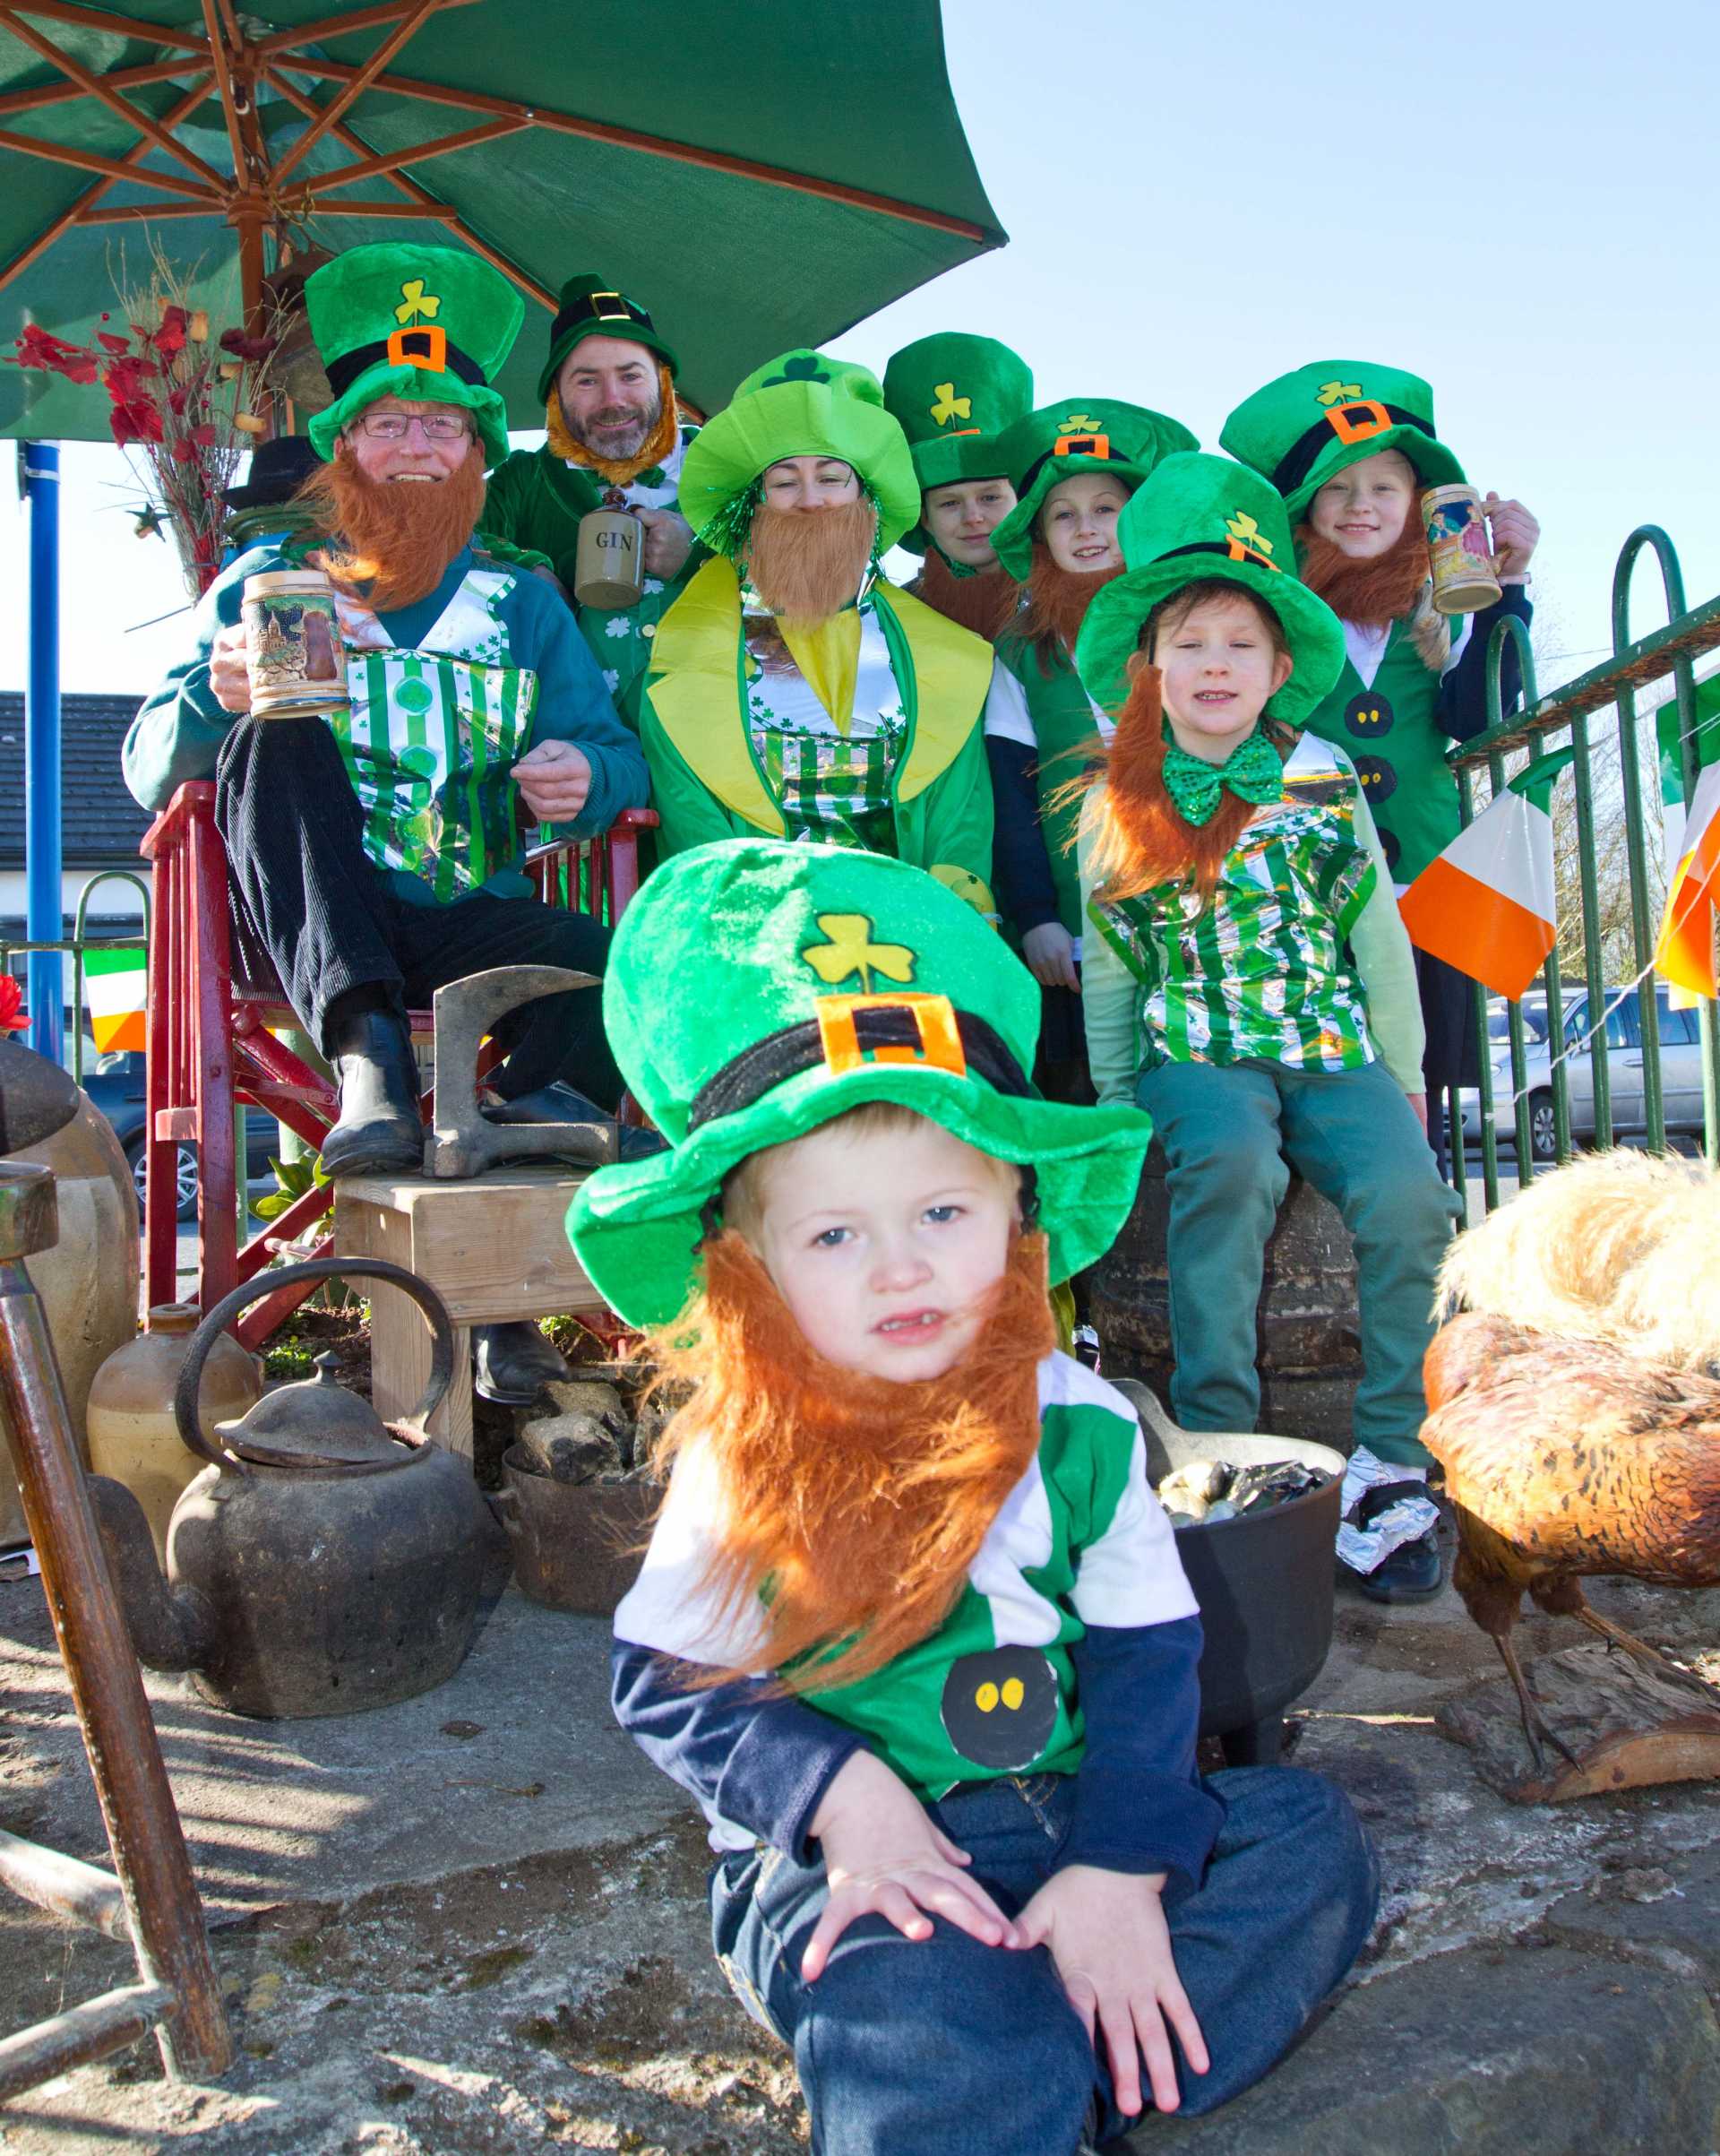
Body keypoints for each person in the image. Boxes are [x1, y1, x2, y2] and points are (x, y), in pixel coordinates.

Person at [565, 837, 1380, 2154]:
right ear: (749, 1268)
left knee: (1308, 1837)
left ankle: (1032, 2049)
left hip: (1073, 1811)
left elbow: (1143, 1652)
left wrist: (1121, 1864)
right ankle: (1043, 2050)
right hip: (862, 1858)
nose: (901, 1270)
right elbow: (672, 1682)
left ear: (1016, 1210)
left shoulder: (1082, 1422)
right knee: (897, 1992)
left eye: (942, 1213)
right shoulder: (745, 1445)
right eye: (835, 1235)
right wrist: (846, 1800)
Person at [124, 243, 650, 1407]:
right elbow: (144, 761)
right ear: (346, 445)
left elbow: (618, 752)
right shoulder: (274, 576)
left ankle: (502, 1250)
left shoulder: (524, 600)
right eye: (389, 425)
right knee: (277, 731)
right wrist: (211, 700)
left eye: (444, 427)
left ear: (475, 451)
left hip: (467, 916)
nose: (416, 446)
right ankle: (366, 1060)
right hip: (312, 929)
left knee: (608, 969)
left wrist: (587, 775)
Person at [1074, 453, 1458, 1602]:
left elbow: (1374, 938)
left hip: (1328, 1043)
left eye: (1241, 646)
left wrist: (1403, 1074)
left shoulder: (1326, 775)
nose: (1215, 664)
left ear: (1280, 669)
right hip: (1195, 1050)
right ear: (1150, 669)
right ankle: (1222, 1445)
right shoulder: (1117, 796)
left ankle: (1391, 1455)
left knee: (1408, 1197)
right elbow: (1109, 965)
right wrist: (1111, 1098)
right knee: (1228, 1166)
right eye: (1190, 644)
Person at [1220, 364, 1539, 1169]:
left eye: (1385, 487)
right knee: (1314, 1073)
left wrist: (1508, 582)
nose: (1362, 506)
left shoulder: (1445, 607)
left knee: (1416, 1086)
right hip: (1304, 885)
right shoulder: (1270, 614)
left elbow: (1481, 717)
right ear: (1303, 509)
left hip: (1426, 885)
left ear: (1419, 504)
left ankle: (1420, 1238)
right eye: (1338, 488)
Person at [639, 349, 1011, 913]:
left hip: (912, 947)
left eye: (832, 478)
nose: (811, 501)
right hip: (756, 949)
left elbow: (959, 827)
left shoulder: (949, 658)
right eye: (785, 481)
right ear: (752, 506)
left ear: (867, 499)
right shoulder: (681, 656)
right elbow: (697, 839)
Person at [981, 399, 1198, 1096]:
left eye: (1106, 508)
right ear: (1040, 535)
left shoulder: (1197, 628)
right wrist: (1038, 917)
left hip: (1199, 916)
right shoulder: (1019, 655)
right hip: (1075, 927)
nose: (1087, 529)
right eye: (1063, 515)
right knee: (1090, 1096)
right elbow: (1011, 798)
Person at [481, 273, 700, 711]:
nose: (612, 399)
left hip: (712, 743)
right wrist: (528, 571)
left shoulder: (726, 468)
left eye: (630, 376)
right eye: (586, 381)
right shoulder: (522, 479)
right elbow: (451, 541)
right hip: (576, 744)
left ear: (663, 381)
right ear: (556, 397)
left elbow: (799, 578)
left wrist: (698, 559)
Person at [881, 332, 1034, 641]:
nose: (973, 517)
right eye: (949, 503)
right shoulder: (893, 625)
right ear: (925, 519)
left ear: (1022, 501)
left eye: (990, 497)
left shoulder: (1074, 605)